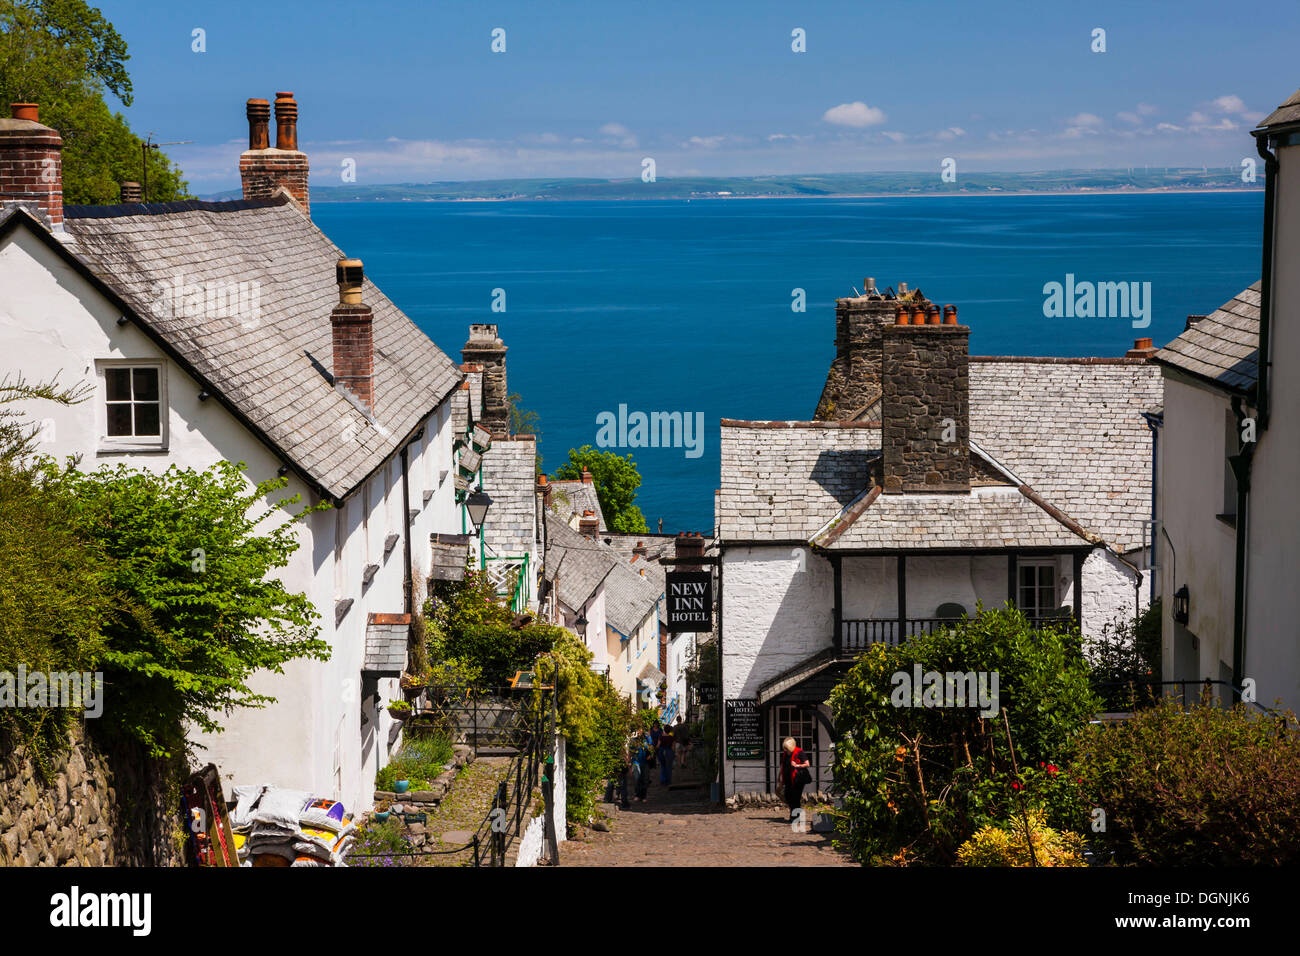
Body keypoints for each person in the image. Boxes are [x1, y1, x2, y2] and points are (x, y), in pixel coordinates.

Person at [782, 737, 812, 821]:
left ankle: (795, 816)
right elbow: (783, 766)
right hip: (788, 778)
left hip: (798, 779)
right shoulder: (785, 753)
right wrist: (780, 776)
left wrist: (797, 765)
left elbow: (807, 764)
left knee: (795, 798)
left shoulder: (800, 752)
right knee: (788, 796)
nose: (785, 750)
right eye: (785, 748)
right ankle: (795, 815)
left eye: (787, 748)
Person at [631, 734, 651, 802]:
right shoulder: (633, 740)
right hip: (636, 762)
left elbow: (652, 749)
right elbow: (631, 751)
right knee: (637, 779)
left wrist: (650, 754)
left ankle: (643, 796)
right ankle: (637, 795)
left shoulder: (648, 739)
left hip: (645, 762)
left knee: (644, 779)